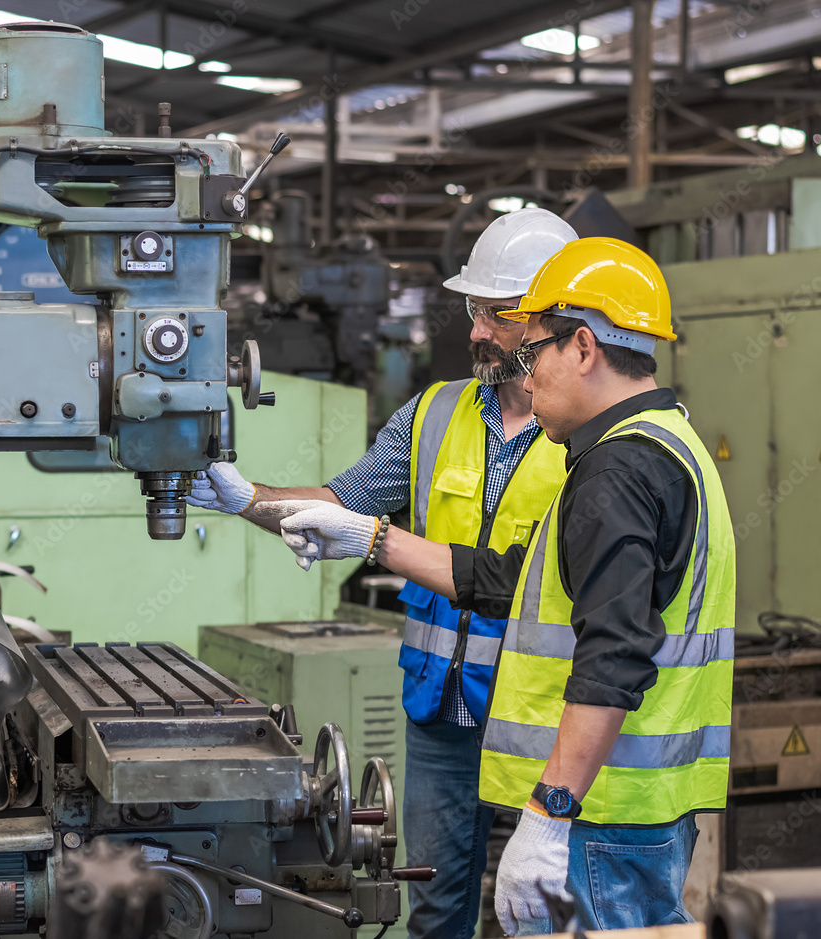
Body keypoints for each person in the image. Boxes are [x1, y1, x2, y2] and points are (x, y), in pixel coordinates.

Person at [261, 237, 736, 935]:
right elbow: (515, 581)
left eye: (533, 351)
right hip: (629, 803)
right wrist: (371, 537)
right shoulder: (666, 442)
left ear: (583, 347)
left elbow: (612, 655)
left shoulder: (617, 473)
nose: (526, 376)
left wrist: (548, 813)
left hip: (603, 812)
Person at [187, 208, 578, 938]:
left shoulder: (590, 438)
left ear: (554, 318)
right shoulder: (434, 413)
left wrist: (377, 541)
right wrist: (248, 499)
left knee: (549, 913)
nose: (475, 330)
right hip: (442, 717)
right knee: (434, 908)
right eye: (473, 310)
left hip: (544, 719)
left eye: (496, 315)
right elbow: (342, 505)